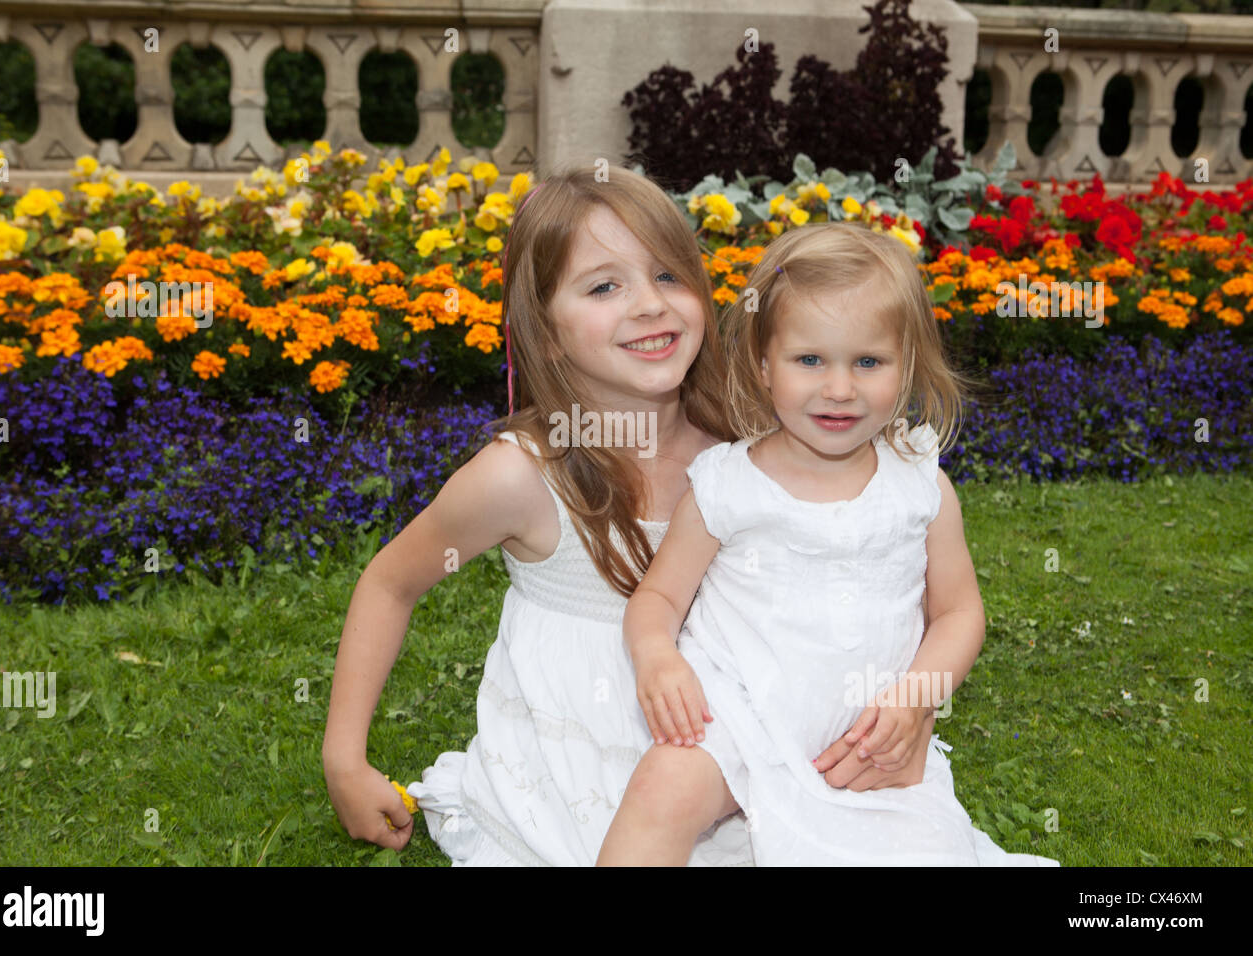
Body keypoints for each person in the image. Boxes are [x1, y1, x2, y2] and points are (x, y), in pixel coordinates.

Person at [323, 166, 940, 866]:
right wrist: (344, 760)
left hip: (733, 732)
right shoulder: (524, 475)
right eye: (604, 286)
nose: (649, 304)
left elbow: (871, 577)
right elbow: (390, 584)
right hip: (578, 759)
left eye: (669, 277)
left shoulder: (756, 448)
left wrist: (907, 701)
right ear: (546, 330)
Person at [596, 222, 1060, 866]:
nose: (839, 388)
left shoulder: (918, 484)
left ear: (905, 368)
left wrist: (915, 698)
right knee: (660, 792)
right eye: (810, 360)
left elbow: (958, 612)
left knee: (923, 851)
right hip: (735, 713)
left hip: (866, 732)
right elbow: (660, 596)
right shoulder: (728, 484)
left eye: (867, 362)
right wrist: (655, 656)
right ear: (764, 364)